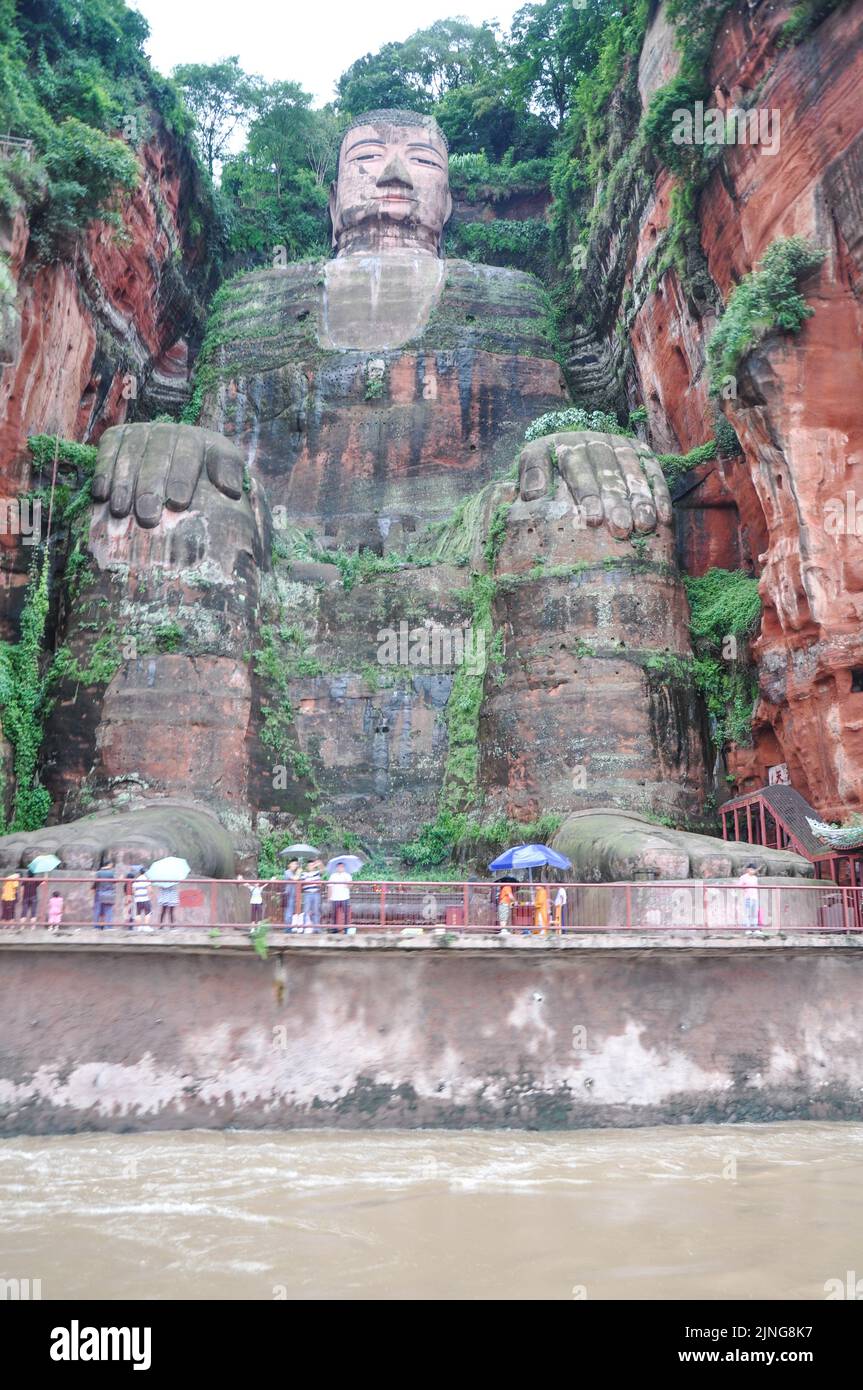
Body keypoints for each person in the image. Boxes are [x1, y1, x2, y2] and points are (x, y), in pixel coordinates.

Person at [328, 861, 353, 931]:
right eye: (339, 867)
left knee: (346, 914)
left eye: (342, 867)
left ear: (344, 868)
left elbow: (350, 886)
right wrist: (329, 897)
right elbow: (330, 886)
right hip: (335, 897)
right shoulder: (333, 876)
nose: (340, 868)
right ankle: (334, 929)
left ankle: (346, 928)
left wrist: (347, 883)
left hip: (345, 897)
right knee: (334, 914)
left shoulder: (348, 875)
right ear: (336, 868)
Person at [302, 858, 323, 931]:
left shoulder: (317, 873)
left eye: (312, 865)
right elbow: (303, 883)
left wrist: (319, 864)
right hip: (307, 894)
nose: (311, 867)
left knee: (316, 910)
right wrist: (314, 882)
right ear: (307, 867)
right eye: (309, 865)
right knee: (306, 910)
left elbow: (322, 870)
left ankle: (316, 928)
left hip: (316, 894)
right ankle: (304, 928)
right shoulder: (304, 874)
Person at [738, 862, 760, 929]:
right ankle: (748, 928)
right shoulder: (743, 877)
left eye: (754, 869)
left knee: (755, 914)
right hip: (747, 898)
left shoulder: (755, 878)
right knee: (747, 913)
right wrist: (745, 887)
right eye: (751, 869)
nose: (752, 871)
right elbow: (739, 886)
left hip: (755, 898)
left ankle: (755, 928)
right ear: (748, 869)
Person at [93, 863, 115, 929]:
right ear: (109, 865)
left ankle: (96, 927)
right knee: (108, 910)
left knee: (97, 910)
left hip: (99, 892)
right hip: (109, 893)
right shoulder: (111, 873)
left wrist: (93, 889)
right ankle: (108, 926)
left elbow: (96, 883)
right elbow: (114, 881)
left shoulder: (98, 873)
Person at [282, 859, 302, 931]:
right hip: (288, 894)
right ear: (289, 865)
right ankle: (287, 928)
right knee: (288, 911)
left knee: (291, 911)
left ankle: (289, 927)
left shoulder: (294, 873)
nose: (295, 865)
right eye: (293, 864)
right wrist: (299, 872)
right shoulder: (287, 872)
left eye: (296, 864)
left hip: (293, 895)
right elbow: (295, 879)